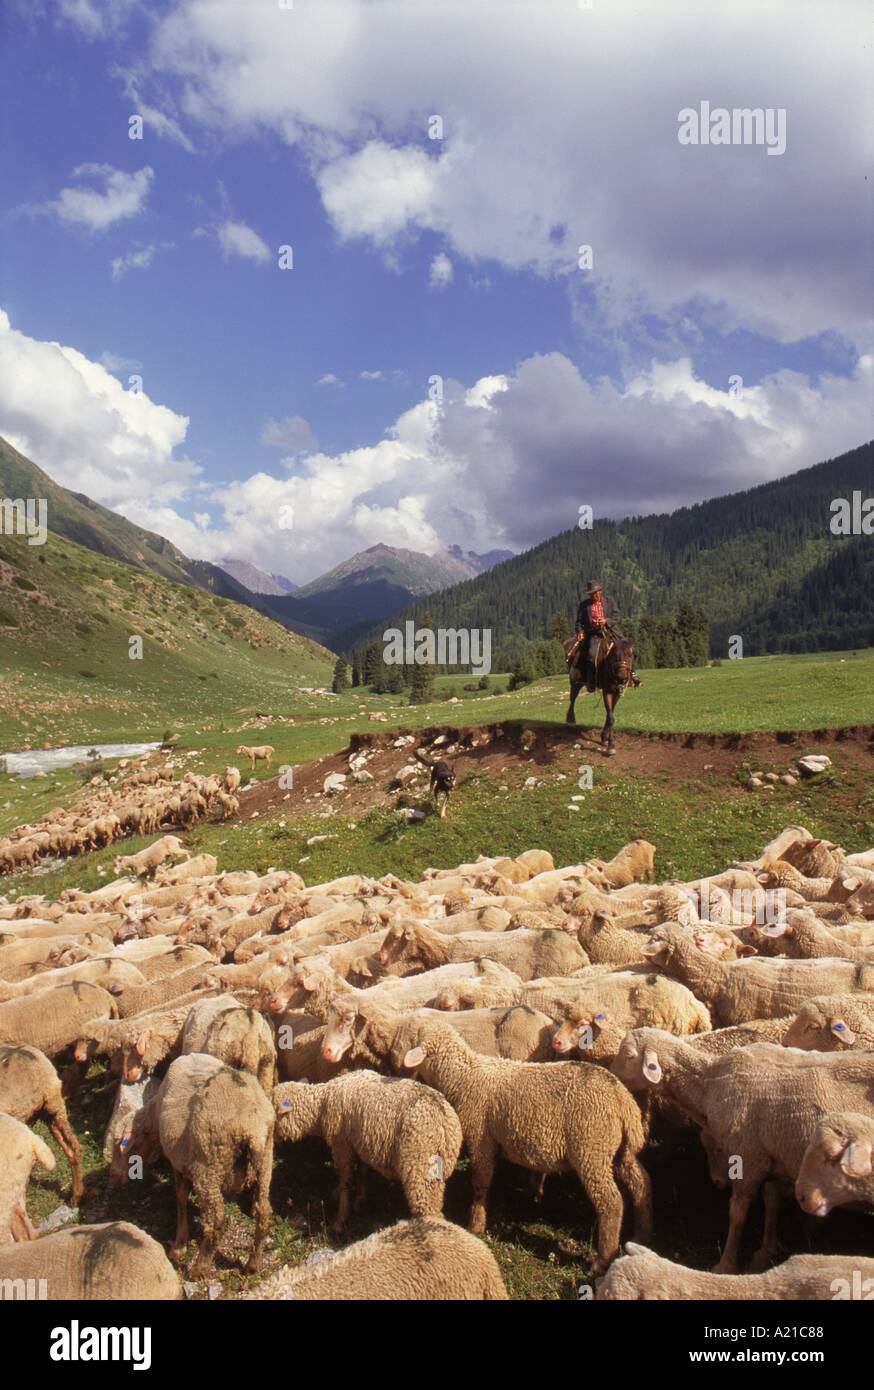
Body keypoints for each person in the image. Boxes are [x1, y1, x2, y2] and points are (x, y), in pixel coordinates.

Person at [571, 581, 640, 693]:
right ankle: (591, 680)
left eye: (597, 592)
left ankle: (632, 673)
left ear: (601, 591)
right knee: (592, 654)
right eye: (592, 594)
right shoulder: (584, 606)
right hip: (594, 634)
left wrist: (606, 621)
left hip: (612, 631)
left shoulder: (609, 601)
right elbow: (578, 622)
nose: (595, 595)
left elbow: (616, 616)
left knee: (629, 649)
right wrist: (579, 632)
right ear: (589, 595)